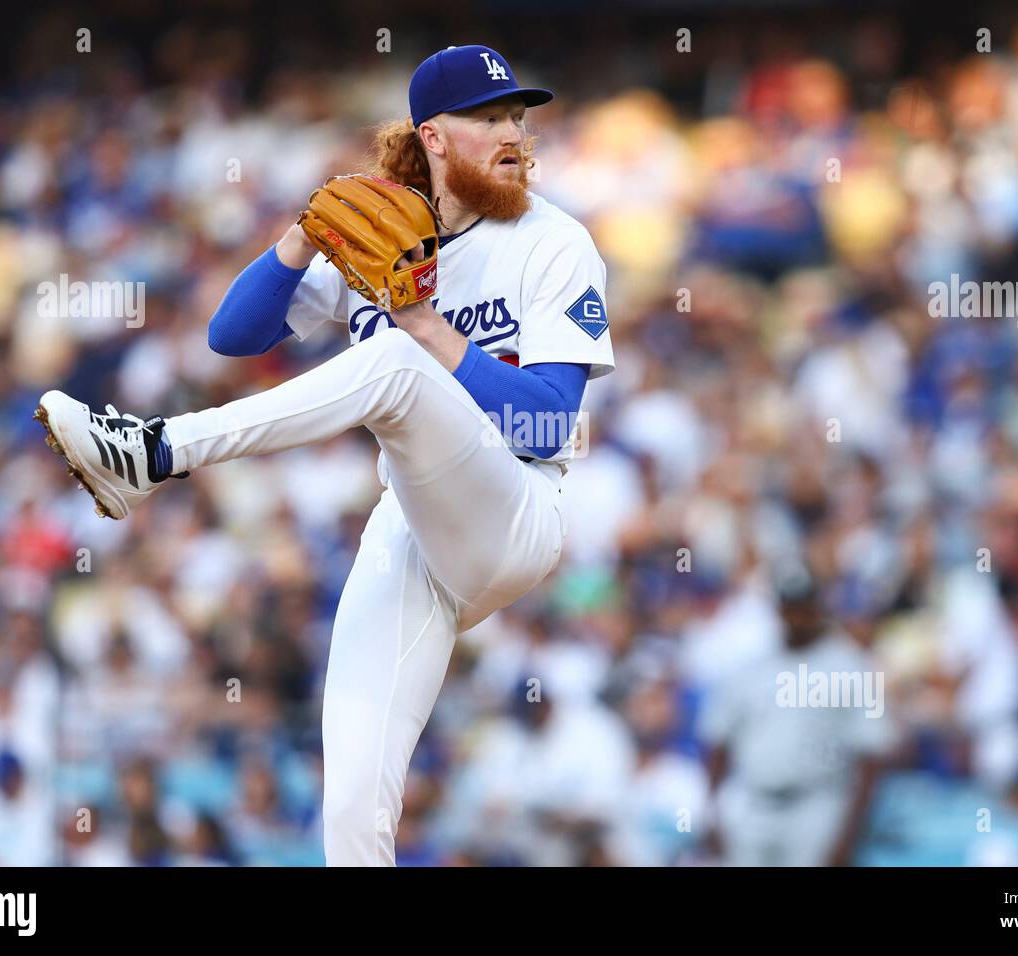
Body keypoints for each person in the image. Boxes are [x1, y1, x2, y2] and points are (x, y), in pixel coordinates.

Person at [33, 44, 615, 866]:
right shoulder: (387, 228)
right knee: (350, 808)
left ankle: (154, 452)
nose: (513, 132)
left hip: (516, 511)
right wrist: (303, 236)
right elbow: (231, 335)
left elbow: (550, 427)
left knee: (401, 360)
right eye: (488, 119)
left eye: (518, 115)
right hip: (409, 526)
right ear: (433, 137)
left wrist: (424, 328)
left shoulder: (552, 241)